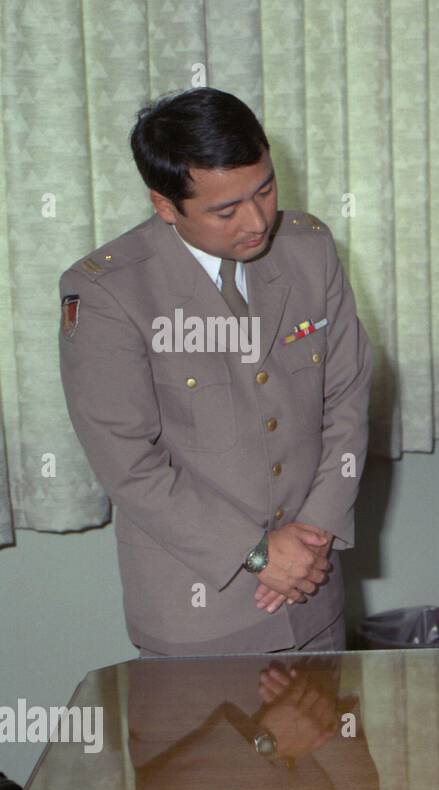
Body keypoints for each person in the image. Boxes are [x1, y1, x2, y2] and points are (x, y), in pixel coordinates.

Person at [58, 88, 372, 656]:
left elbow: (346, 397)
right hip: (202, 615)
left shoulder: (310, 248)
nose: (256, 221)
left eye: (266, 189)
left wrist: (316, 535)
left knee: (332, 744)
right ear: (164, 205)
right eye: (225, 210)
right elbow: (127, 462)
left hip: (314, 590)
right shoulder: (109, 291)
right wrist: (257, 554)